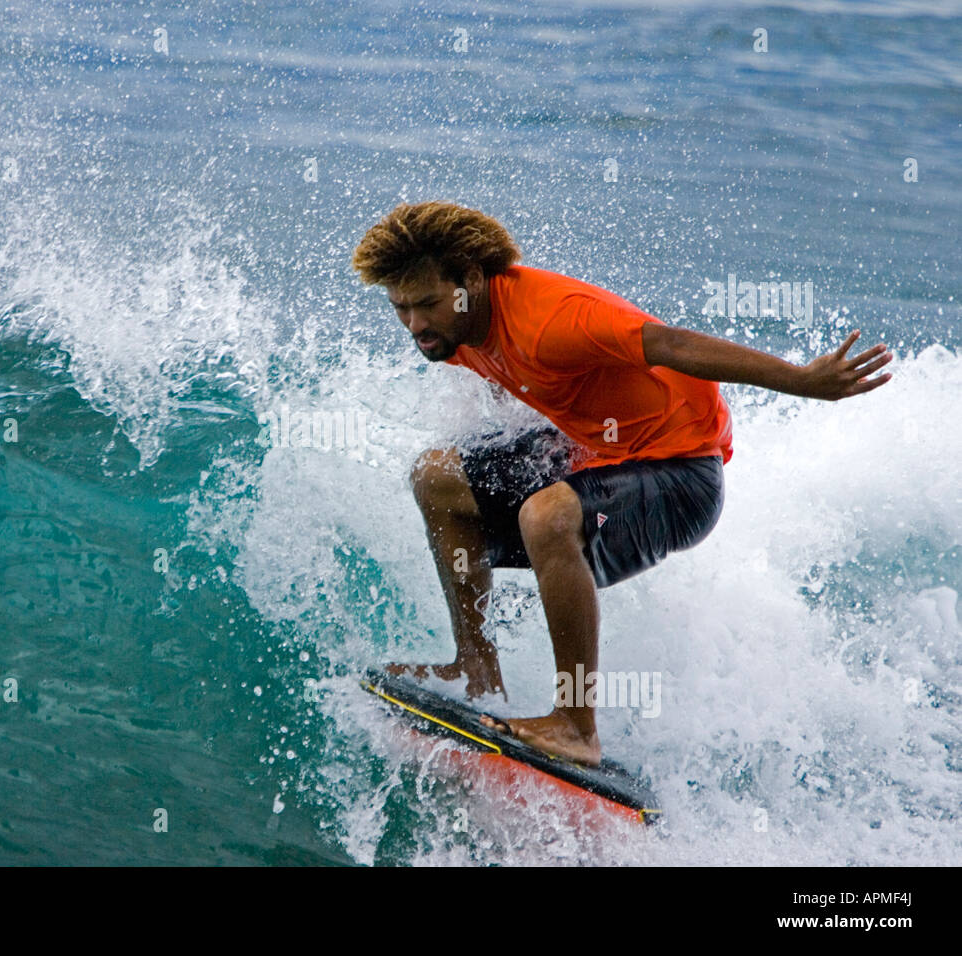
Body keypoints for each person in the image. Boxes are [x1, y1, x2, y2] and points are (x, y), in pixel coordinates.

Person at [350, 200, 893, 766]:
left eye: (427, 305)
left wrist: (804, 380)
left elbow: (673, 344)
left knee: (547, 516)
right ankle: (475, 666)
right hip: (600, 455)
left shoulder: (552, 319)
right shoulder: (458, 329)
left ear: (470, 280)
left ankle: (576, 724)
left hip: (682, 476)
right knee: (437, 477)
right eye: (400, 308)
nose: (415, 325)